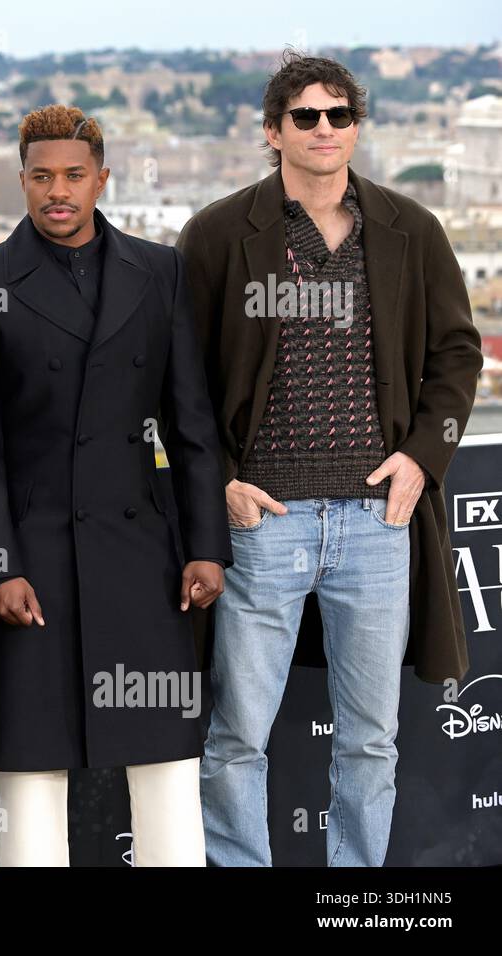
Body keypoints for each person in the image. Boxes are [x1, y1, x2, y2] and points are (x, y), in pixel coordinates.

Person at [177, 52, 483, 866]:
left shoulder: (410, 230)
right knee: (238, 734)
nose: (323, 129)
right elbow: (180, 384)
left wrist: (422, 458)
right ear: (273, 131)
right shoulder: (216, 234)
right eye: (305, 116)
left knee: (371, 739)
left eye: (339, 115)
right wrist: (224, 487)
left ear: (356, 127)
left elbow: (457, 354)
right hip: (262, 523)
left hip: (376, 521)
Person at [0, 105, 231, 866]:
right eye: (41, 176)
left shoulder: (160, 270)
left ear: (102, 178)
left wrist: (207, 548)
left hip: (145, 560)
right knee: (30, 778)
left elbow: (191, 423)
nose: (57, 191)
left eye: (73, 175)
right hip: (30, 567)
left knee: (168, 768)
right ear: (23, 180)